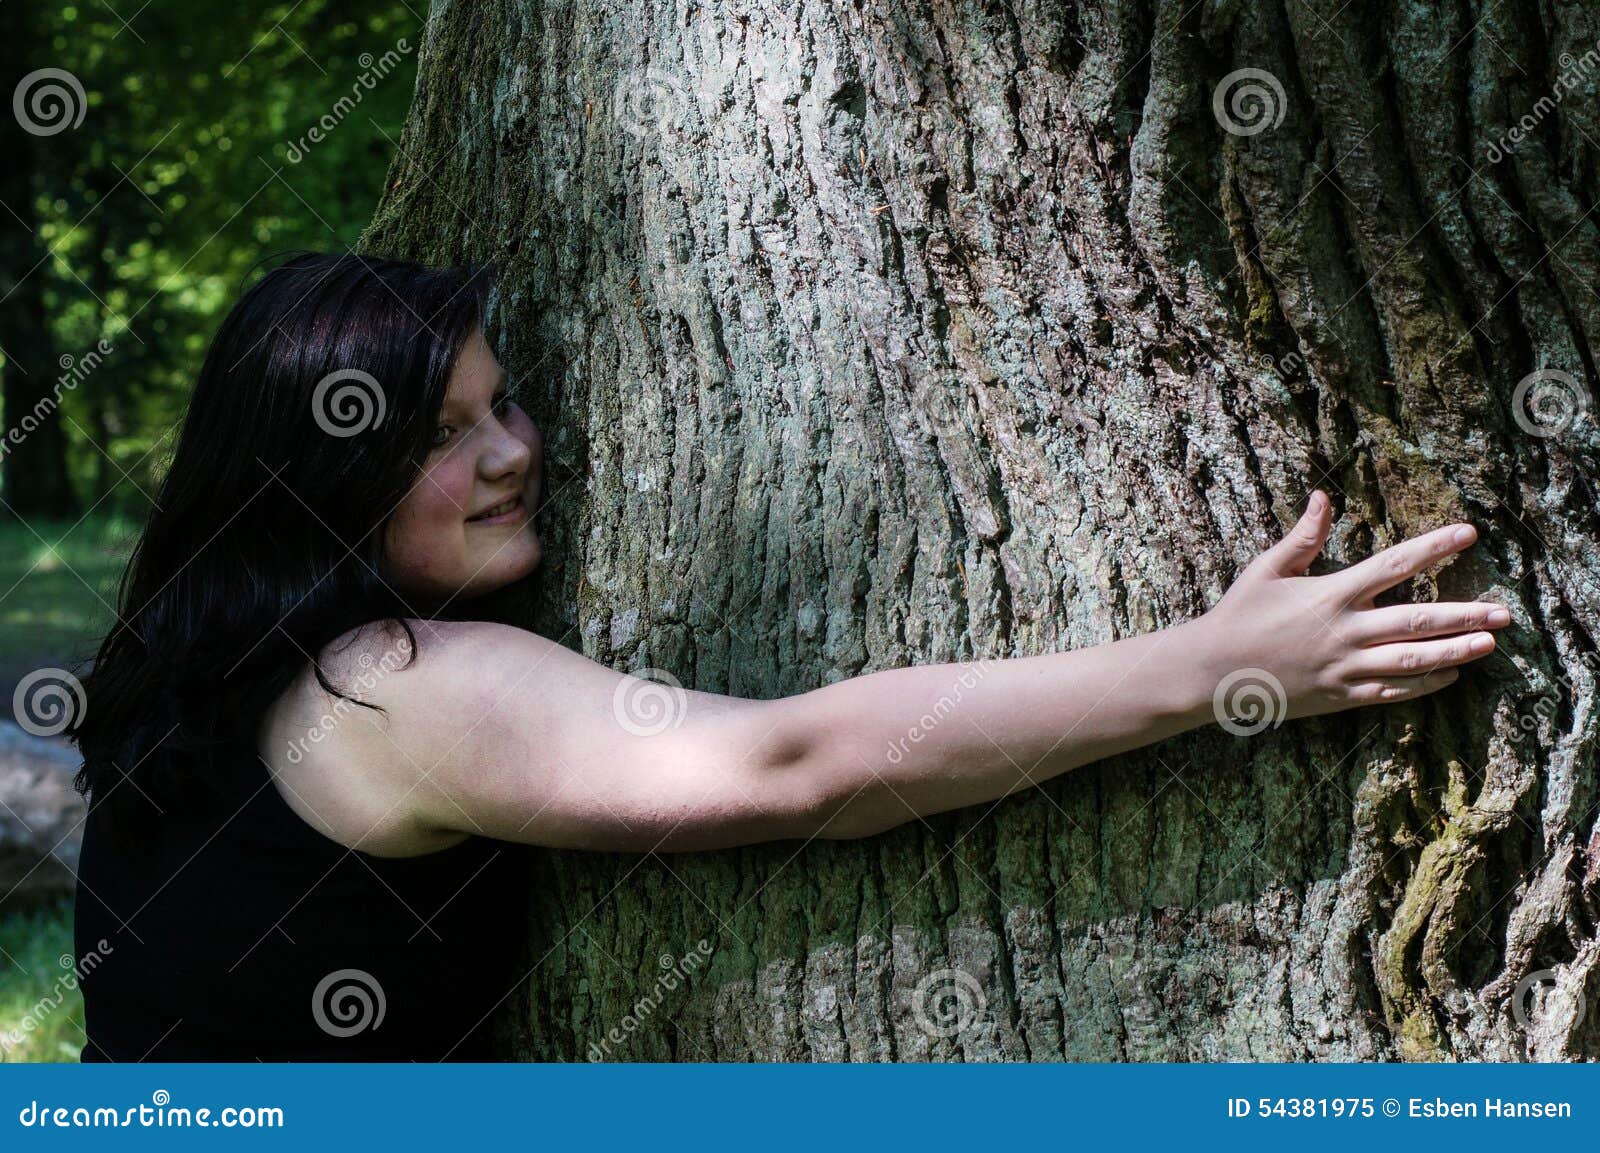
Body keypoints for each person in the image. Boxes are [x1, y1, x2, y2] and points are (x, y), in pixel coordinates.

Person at [68, 252, 1509, 1061]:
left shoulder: (203, 683)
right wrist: (1216, 667)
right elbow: (793, 763)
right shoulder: (392, 687)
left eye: (501, 404)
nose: (513, 453)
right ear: (322, 471)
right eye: (443, 434)